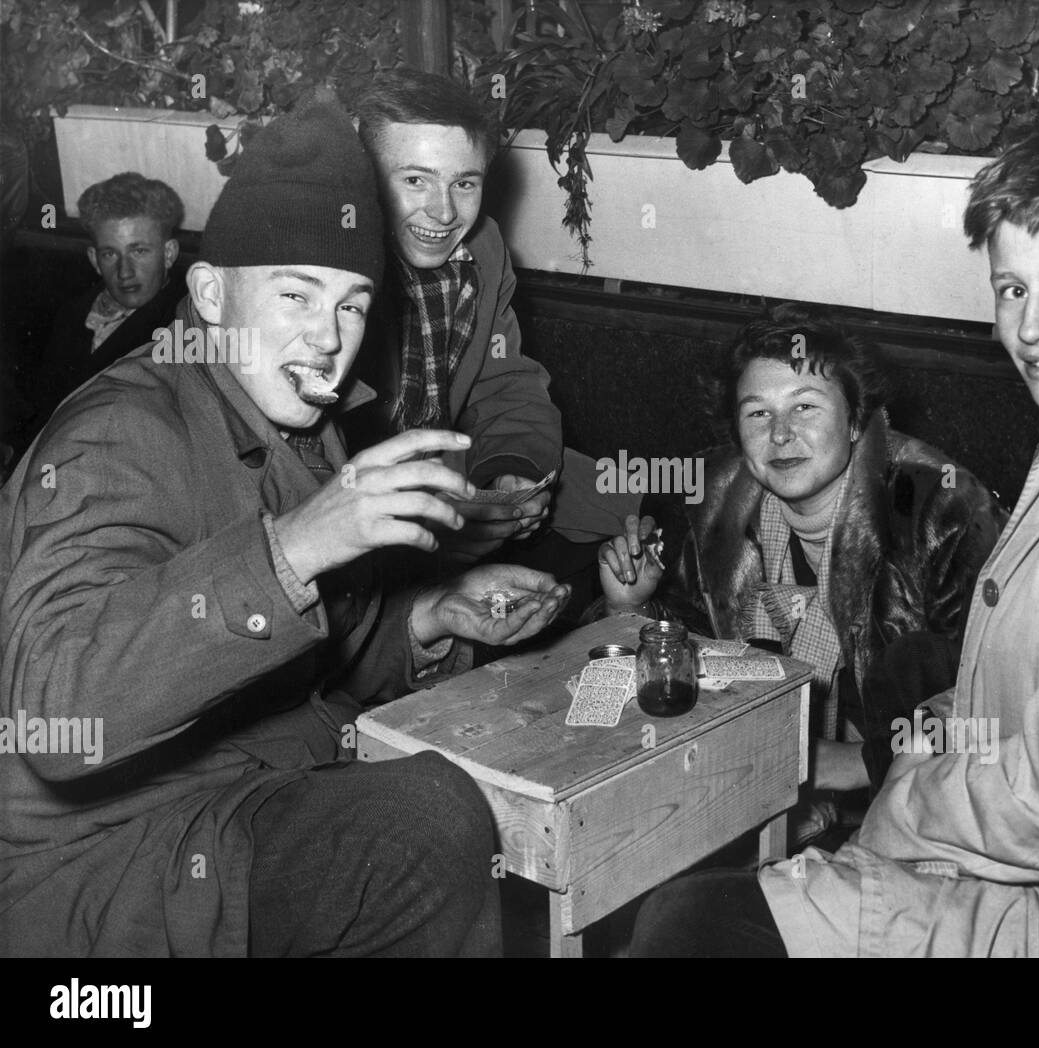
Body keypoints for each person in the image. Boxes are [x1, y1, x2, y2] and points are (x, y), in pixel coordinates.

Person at [630, 113, 1039, 958]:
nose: (1031, 326)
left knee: (695, 929)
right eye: (1013, 288)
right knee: (690, 911)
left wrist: (903, 797)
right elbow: (1021, 693)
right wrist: (921, 740)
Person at [0, 100, 571, 957]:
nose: (327, 340)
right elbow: (56, 710)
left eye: (351, 306)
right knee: (425, 823)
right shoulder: (119, 431)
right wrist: (299, 543)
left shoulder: (295, 416)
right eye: (295, 294)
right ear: (207, 291)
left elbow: (311, 656)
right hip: (99, 861)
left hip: (237, 799)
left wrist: (434, 614)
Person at [596, 307, 1006, 798]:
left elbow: (1002, 692)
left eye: (805, 406)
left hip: (919, 797)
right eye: (757, 413)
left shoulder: (943, 509)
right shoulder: (711, 504)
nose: (780, 434)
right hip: (751, 776)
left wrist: (855, 763)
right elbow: (695, 675)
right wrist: (631, 605)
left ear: (856, 421)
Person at [348, 69, 640, 571]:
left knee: (636, 512)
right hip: (345, 497)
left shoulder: (481, 250)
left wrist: (512, 469)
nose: (442, 212)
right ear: (363, 172)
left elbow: (501, 382)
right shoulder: (334, 261)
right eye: (415, 180)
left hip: (451, 471)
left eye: (463, 183)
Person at [42, 172, 189, 402]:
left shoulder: (184, 328)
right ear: (94, 260)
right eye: (110, 254)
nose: (125, 272)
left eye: (138, 251)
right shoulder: (70, 314)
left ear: (168, 254)